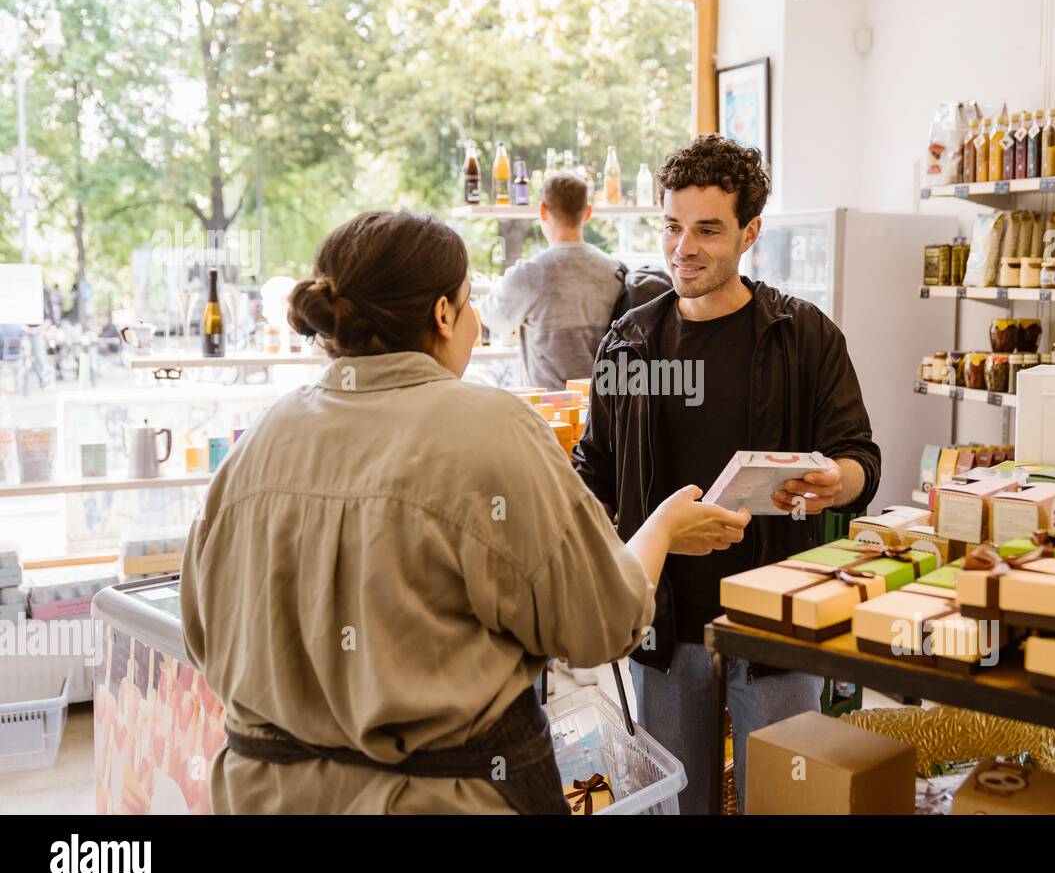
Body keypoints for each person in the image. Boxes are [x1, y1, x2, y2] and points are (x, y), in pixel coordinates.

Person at [181, 210, 750, 814]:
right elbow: (599, 625)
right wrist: (659, 530)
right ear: (443, 314)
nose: (478, 321)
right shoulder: (491, 427)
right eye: (470, 299)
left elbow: (200, 632)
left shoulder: (263, 439)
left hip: (261, 796)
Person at [573, 134, 881, 814]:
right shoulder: (629, 341)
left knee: (783, 800)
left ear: (750, 233)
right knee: (677, 804)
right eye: (673, 227)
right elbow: (591, 471)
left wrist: (838, 481)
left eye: (708, 230)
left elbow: (861, 454)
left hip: (774, 622)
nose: (684, 247)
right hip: (663, 625)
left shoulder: (804, 336)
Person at [479, 171, 623, 389]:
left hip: (549, 409)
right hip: (601, 408)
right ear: (587, 213)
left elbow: (494, 319)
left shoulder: (529, 274)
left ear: (543, 211)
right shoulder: (614, 270)